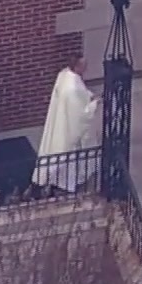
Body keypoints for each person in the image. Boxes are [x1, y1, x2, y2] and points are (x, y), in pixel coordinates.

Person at [34, 56, 98, 192]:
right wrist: (94, 104)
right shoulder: (72, 88)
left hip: (60, 120)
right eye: (83, 65)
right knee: (65, 158)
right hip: (68, 128)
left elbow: (82, 96)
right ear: (76, 66)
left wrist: (89, 97)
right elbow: (81, 114)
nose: (86, 68)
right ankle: (60, 186)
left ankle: (51, 181)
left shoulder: (64, 76)